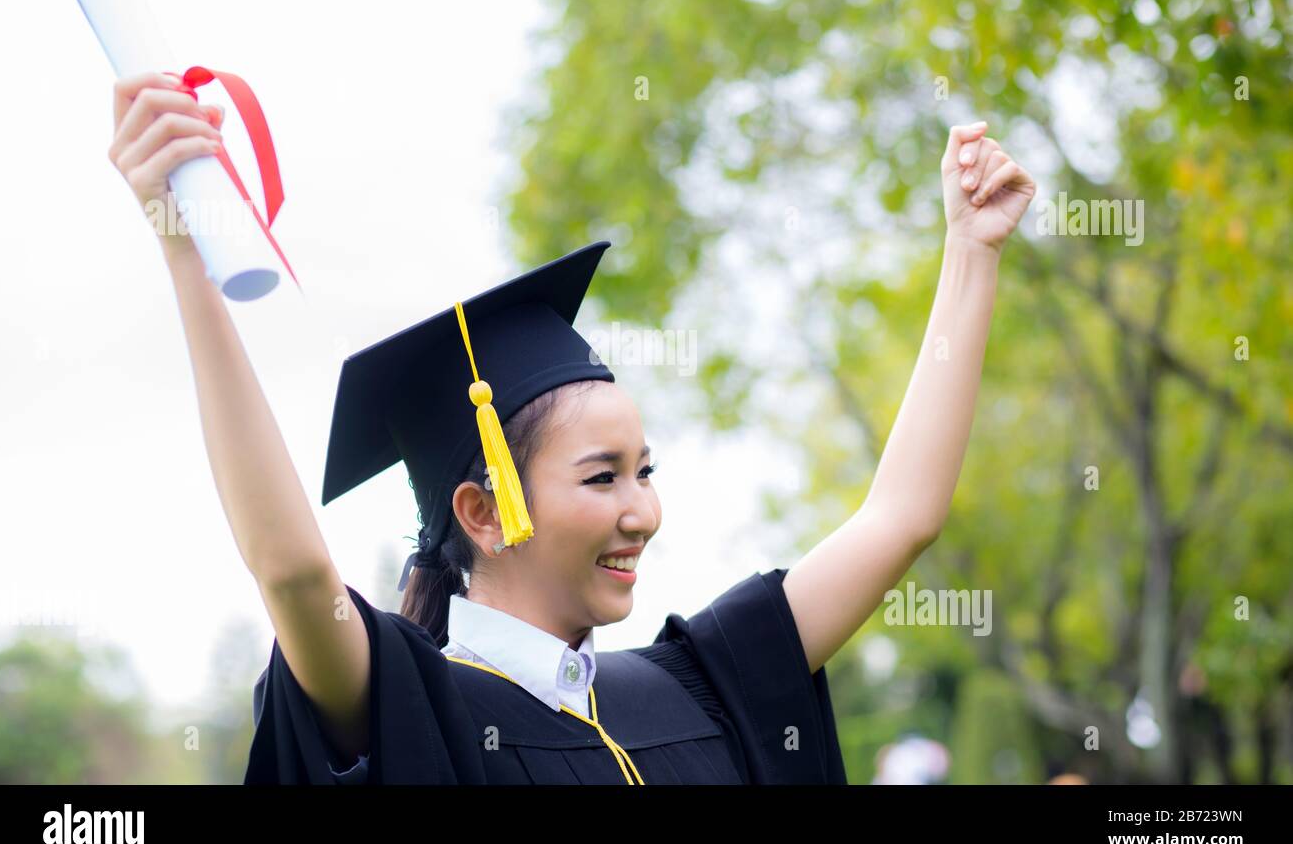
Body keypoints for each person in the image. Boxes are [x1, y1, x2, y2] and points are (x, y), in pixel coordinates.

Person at [107, 72, 1035, 784]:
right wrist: (183, 247)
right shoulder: (418, 709)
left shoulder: (694, 684)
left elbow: (901, 515)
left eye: (645, 471)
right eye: (603, 478)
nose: (645, 511)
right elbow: (295, 573)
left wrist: (971, 252)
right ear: (482, 509)